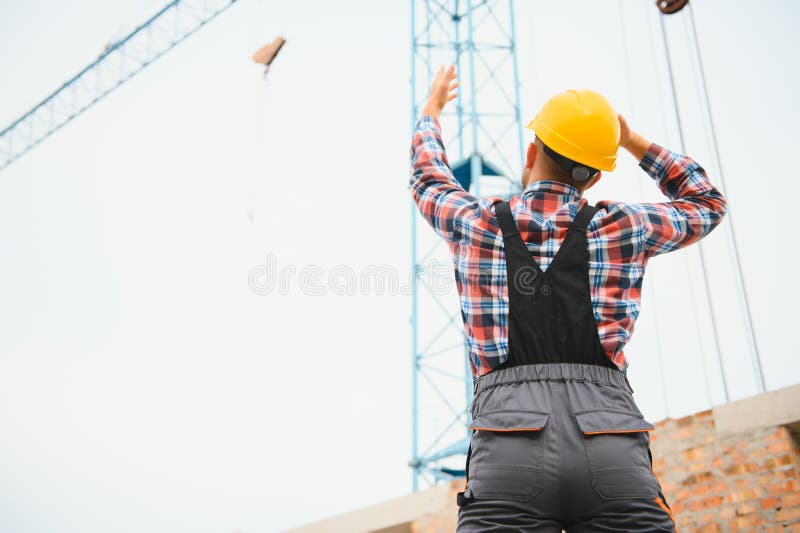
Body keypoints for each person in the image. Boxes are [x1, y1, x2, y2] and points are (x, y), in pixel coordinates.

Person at [408, 65, 727, 531]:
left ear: (532, 150)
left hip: (508, 441)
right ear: (595, 178)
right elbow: (706, 203)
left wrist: (432, 111)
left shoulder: (475, 223)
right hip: (609, 438)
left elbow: (427, 177)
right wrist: (632, 140)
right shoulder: (623, 225)